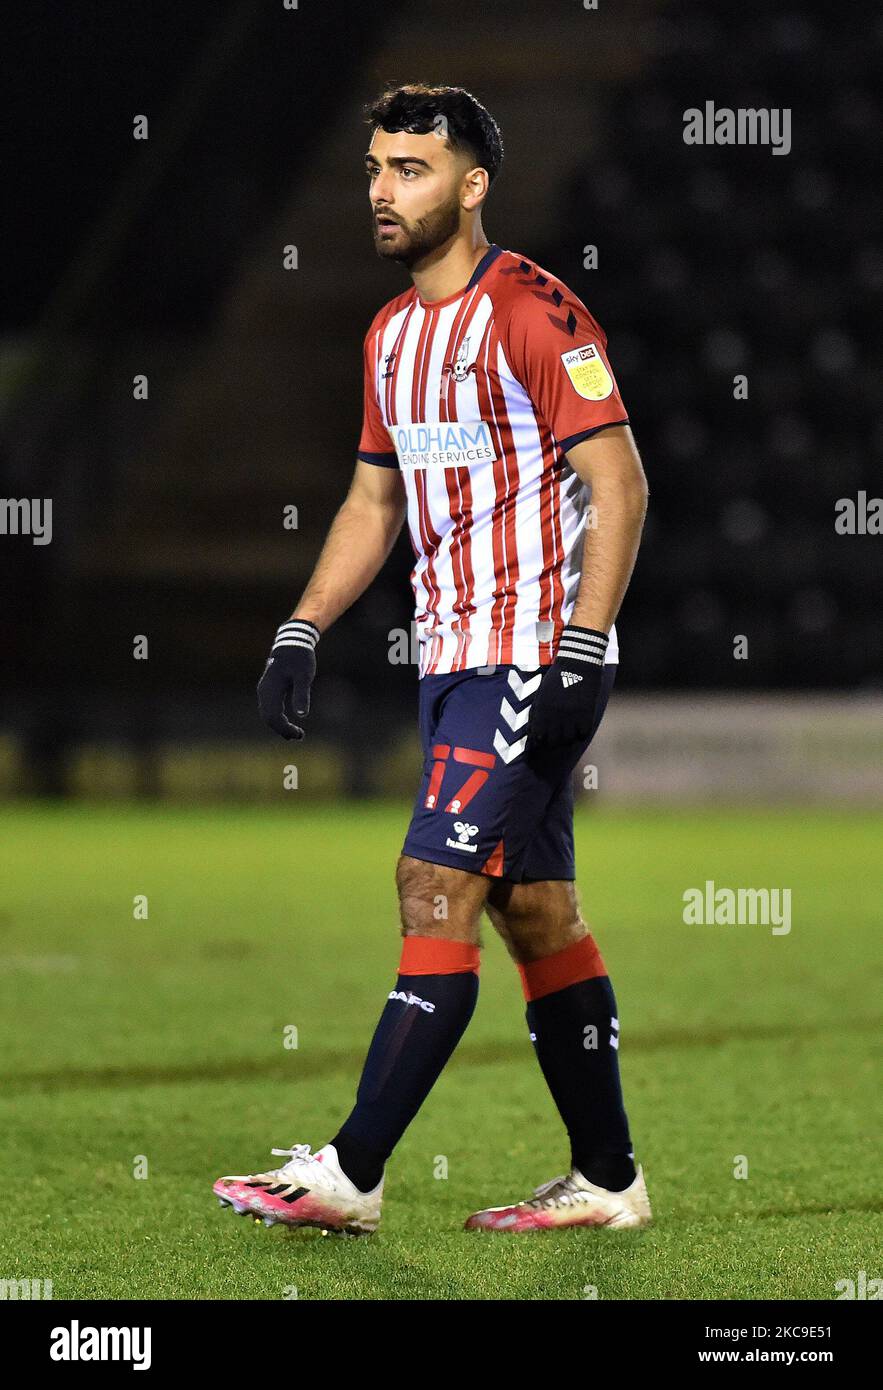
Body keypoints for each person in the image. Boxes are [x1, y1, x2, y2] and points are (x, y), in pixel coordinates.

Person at [213, 83, 651, 1235]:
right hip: (453, 656)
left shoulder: (535, 312)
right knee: (538, 911)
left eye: (409, 168)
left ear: (471, 186)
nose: (380, 189)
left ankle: (349, 1172)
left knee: (432, 885)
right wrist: (300, 626)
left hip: (531, 649)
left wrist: (579, 645)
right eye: (373, 168)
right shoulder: (391, 336)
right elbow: (375, 497)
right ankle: (608, 1182)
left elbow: (621, 484)